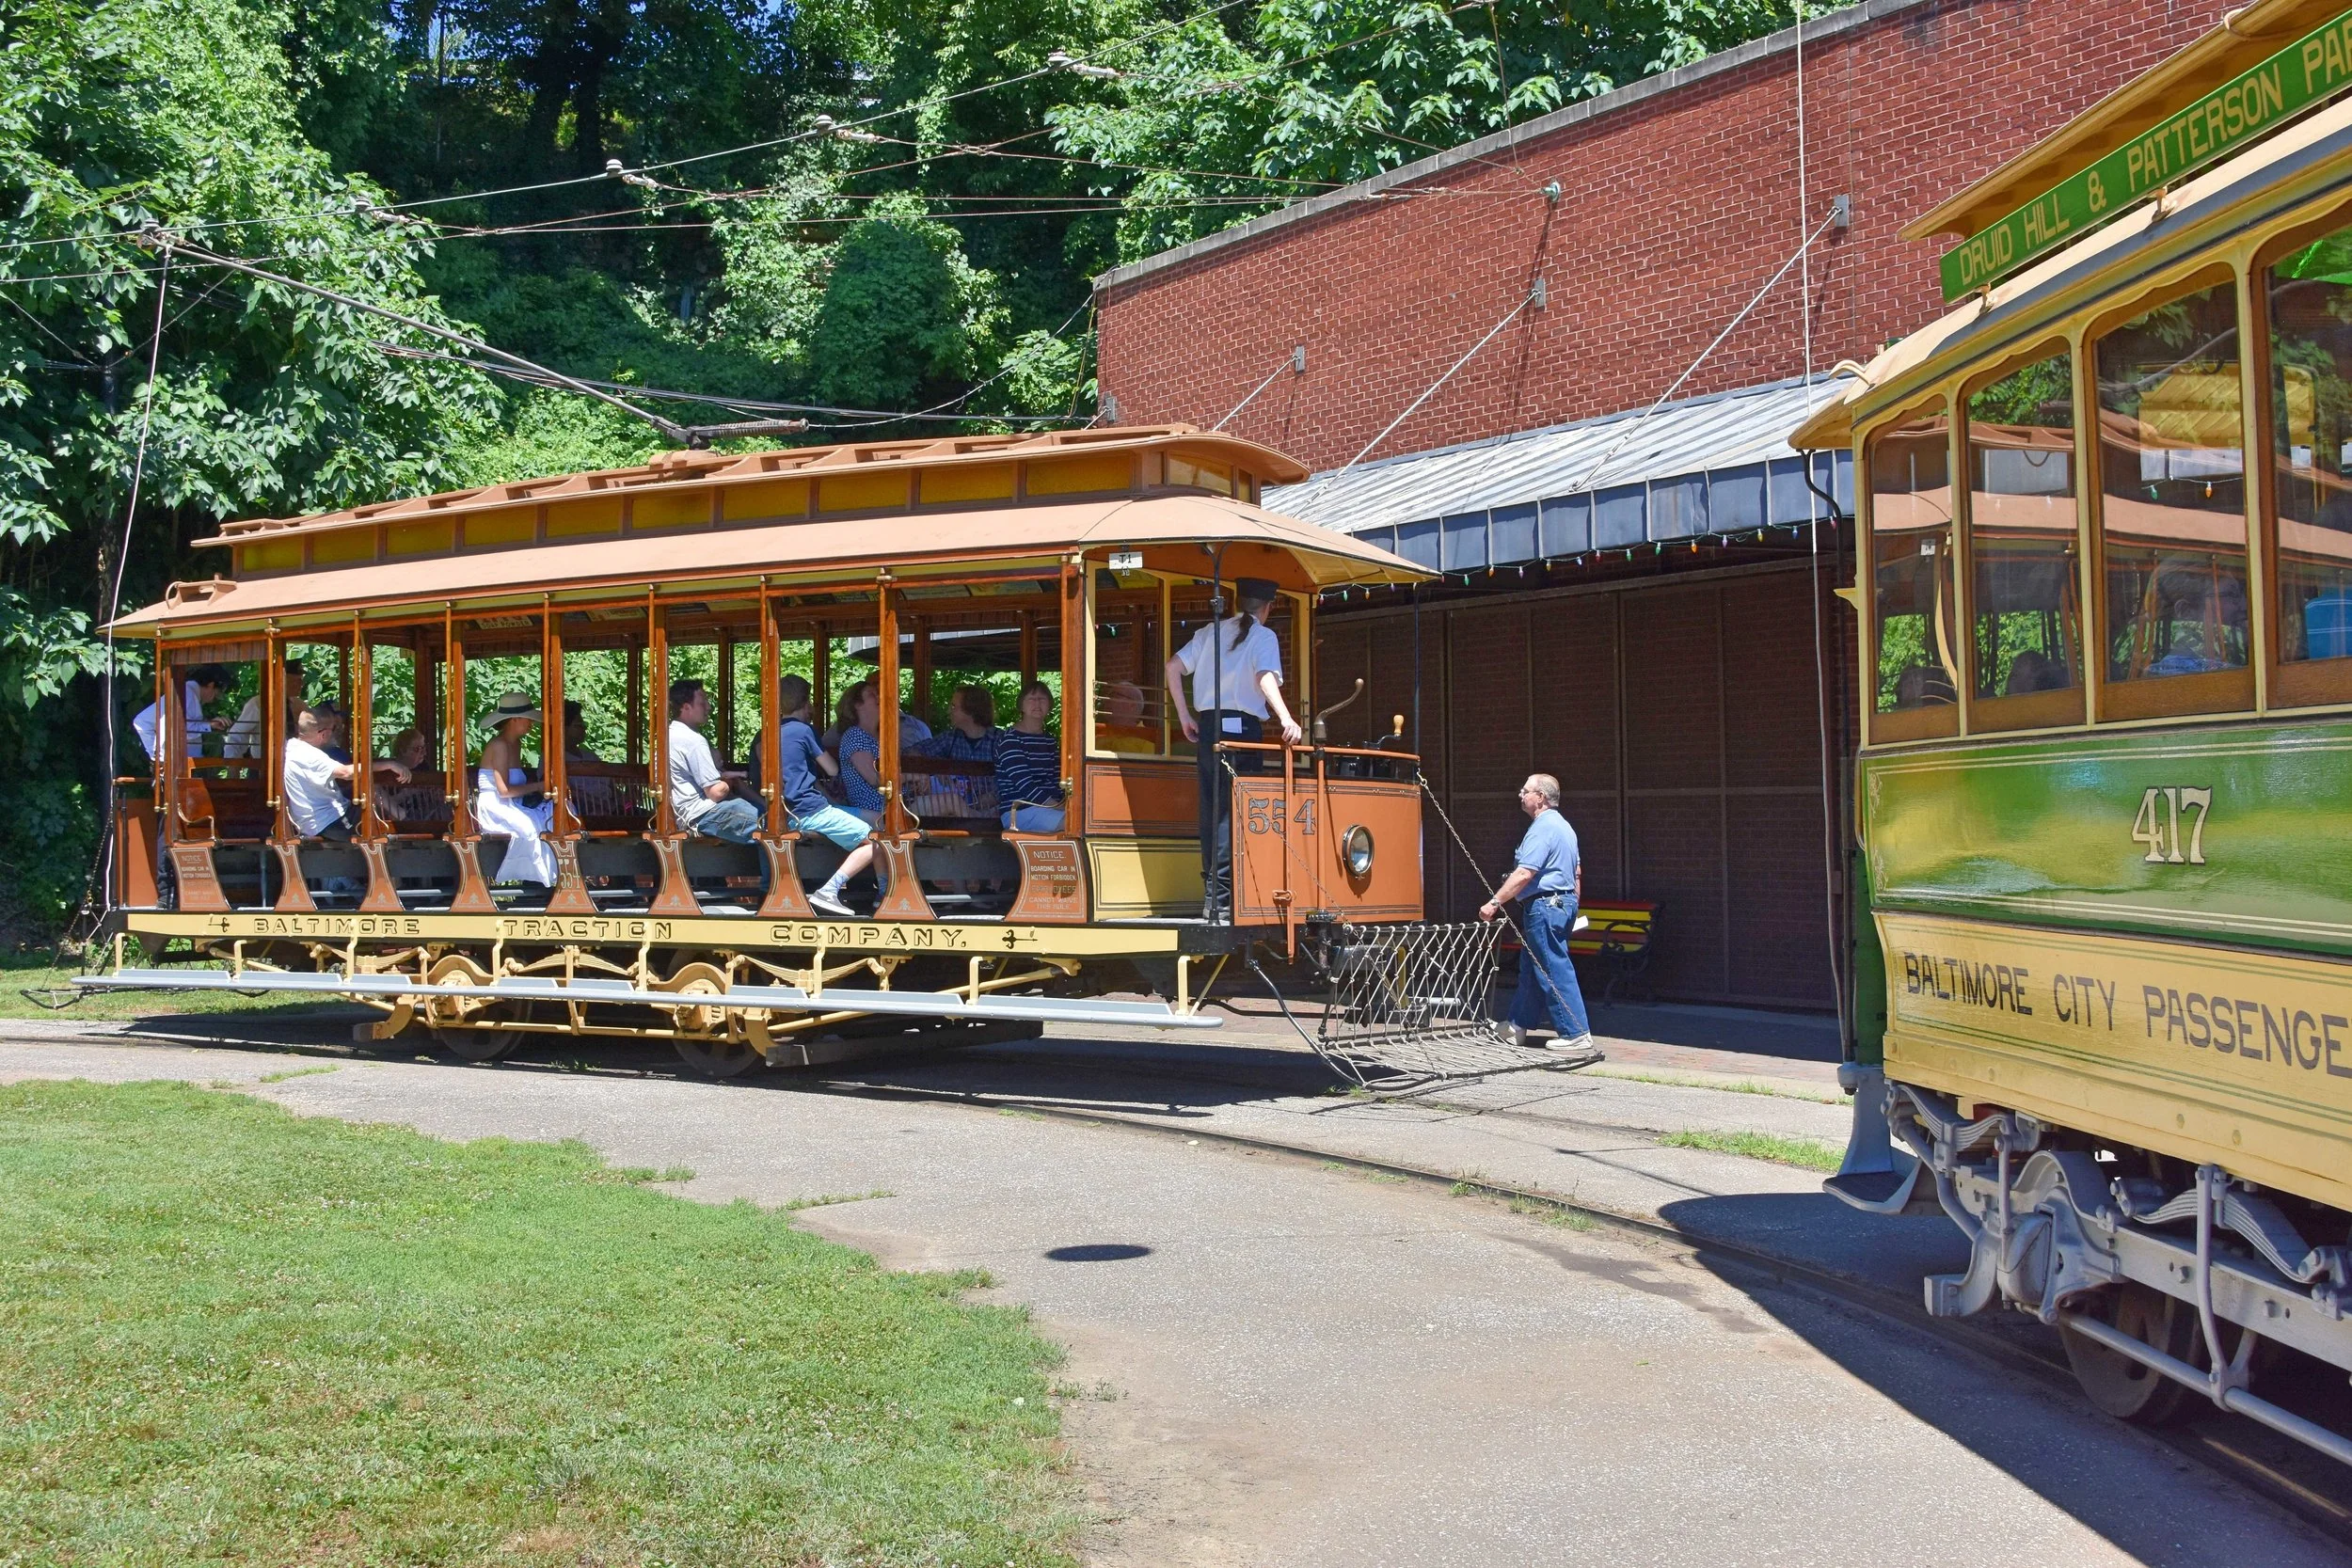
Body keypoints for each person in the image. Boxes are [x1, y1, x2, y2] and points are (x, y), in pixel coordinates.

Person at [1166, 578, 1302, 920]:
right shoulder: (1263, 636)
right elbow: (1264, 678)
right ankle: (1231, 898)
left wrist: (1185, 717)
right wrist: (1286, 717)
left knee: (1212, 810)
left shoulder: (1209, 632)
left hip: (1208, 726)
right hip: (1242, 731)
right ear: (1267, 607)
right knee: (1236, 812)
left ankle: (1215, 896)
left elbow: (1172, 667)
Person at [1478, 773, 1597, 1058]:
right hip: (1561, 903)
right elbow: (1576, 873)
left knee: (1554, 968)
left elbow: (1524, 872)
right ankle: (1516, 1027)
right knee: (1532, 967)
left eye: (1526, 791)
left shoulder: (1542, 828)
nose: (1521, 795)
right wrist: (1571, 906)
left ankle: (1576, 1033)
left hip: (1545, 906)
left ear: (1540, 797)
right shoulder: (1565, 827)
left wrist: (1494, 902)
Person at [774, 675, 878, 917]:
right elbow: (831, 769)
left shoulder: (770, 733)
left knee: (878, 819)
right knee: (877, 840)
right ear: (804, 703)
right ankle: (829, 890)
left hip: (790, 811)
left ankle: (883, 891)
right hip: (811, 810)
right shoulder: (804, 730)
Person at [283, 705, 412, 843]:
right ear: (324, 734)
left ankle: (404, 822)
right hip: (331, 823)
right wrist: (389, 764)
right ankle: (407, 825)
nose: (336, 733)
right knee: (368, 788)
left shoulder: (290, 747)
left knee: (368, 801)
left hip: (315, 822)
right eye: (334, 729)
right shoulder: (311, 755)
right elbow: (346, 773)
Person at [474, 691, 555, 884]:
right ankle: (526, 877)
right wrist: (537, 786)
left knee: (551, 818)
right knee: (528, 827)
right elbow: (504, 791)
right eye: (528, 718)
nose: (531, 723)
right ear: (515, 719)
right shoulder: (499, 745)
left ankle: (549, 878)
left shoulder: (515, 744)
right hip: (496, 806)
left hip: (515, 804)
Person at [668, 678, 759, 842]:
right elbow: (715, 793)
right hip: (702, 814)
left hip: (684, 815)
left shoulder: (667, 735)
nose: (708, 707)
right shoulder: (693, 740)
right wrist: (727, 782)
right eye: (702, 703)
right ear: (686, 707)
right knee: (770, 824)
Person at [912, 683, 1000, 818]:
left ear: (971, 710)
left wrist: (989, 799)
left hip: (994, 813)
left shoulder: (1000, 741)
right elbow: (913, 751)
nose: (949, 711)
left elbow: (1011, 782)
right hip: (956, 812)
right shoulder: (951, 738)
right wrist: (928, 770)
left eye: (954, 706)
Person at [994, 680, 1065, 832]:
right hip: (1018, 811)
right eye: (1032, 699)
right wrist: (1057, 807)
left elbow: (1057, 780)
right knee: (1072, 825)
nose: (1037, 703)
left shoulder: (1049, 740)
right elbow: (1025, 785)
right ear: (1021, 705)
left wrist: (1064, 804)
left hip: (1050, 809)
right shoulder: (1010, 740)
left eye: (1042, 699)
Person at [132, 663, 230, 761]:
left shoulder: (187, 692)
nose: (214, 699)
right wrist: (159, 756)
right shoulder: (187, 694)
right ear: (211, 685)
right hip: (180, 764)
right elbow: (182, 730)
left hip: (182, 762)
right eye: (217, 694)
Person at [834, 679, 890, 823]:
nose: (879, 697)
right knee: (945, 802)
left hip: (896, 804)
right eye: (872, 694)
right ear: (857, 705)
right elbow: (874, 778)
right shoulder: (855, 735)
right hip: (876, 810)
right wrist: (911, 778)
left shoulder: (882, 736)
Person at [225, 661, 307, 758]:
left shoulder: (300, 705)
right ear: (280, 680)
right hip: (264, 763)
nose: (301, 684)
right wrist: (233, 762)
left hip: (293, 763)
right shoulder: (259, 704)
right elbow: (237, 735)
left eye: (301, 680)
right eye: (296, 681)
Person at [1096, 680, 1156, 753]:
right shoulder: (1097, 734)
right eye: (1108, 696)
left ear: (1132, 705)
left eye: (1114, 695)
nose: (1107, 700)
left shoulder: (1147, 740)